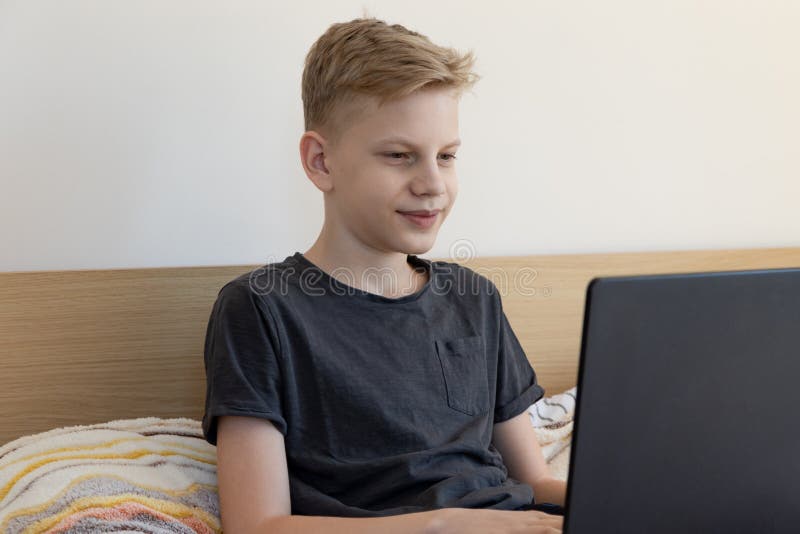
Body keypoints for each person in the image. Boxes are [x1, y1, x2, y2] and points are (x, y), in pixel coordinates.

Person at [202, 16, 567, 533]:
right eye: (399, 156)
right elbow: (258, 526)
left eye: (446, 156)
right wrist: (443, 525)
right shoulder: (261, 309)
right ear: (321, 162)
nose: (432, 184)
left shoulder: (474, 298)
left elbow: (536, 483)